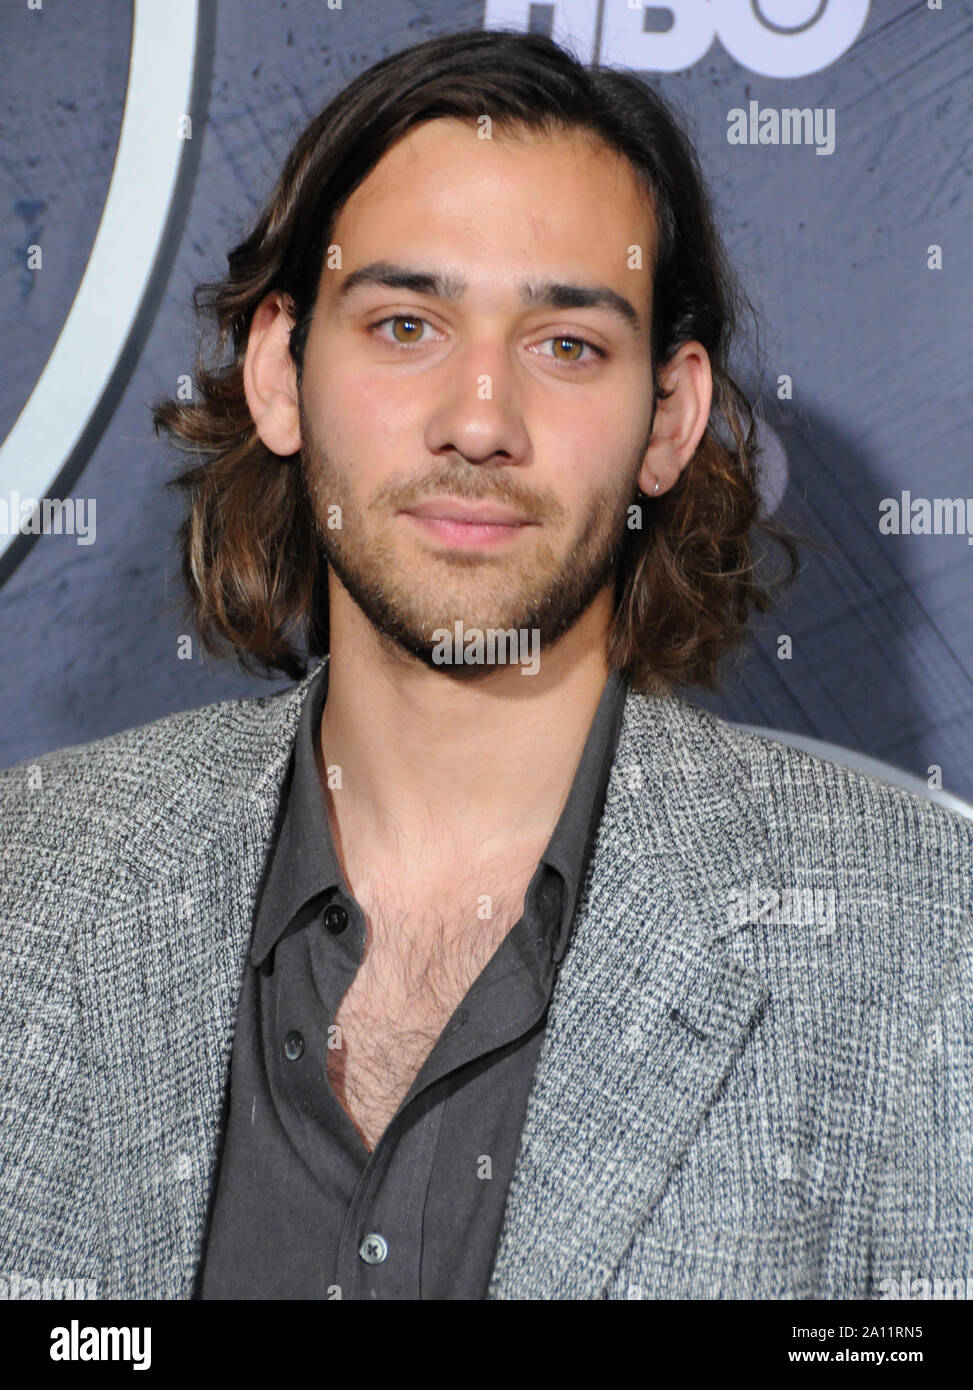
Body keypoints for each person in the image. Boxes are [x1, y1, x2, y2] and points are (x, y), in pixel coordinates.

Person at [1, 28, 970, 1302]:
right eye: (406, 324)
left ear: (668, 421)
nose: (479, 419)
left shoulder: (917, 942)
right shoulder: (29, 887)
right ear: (281, 376)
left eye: (566, 345)